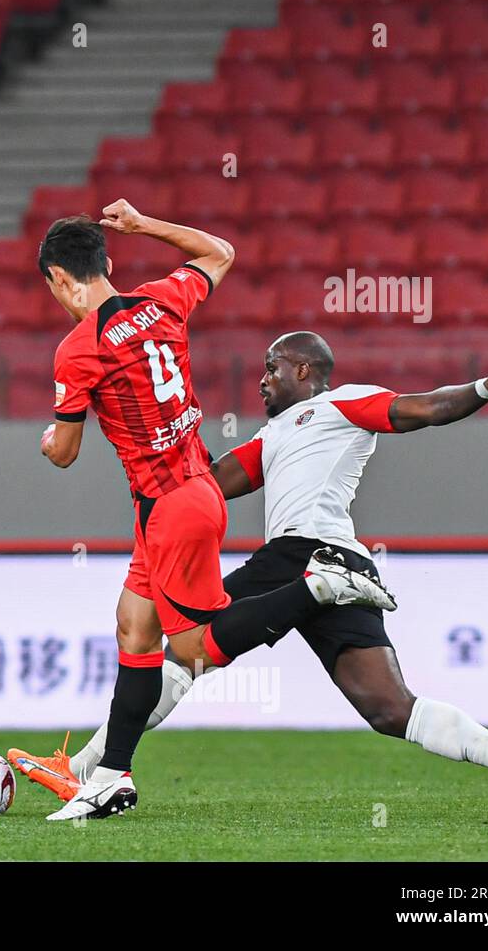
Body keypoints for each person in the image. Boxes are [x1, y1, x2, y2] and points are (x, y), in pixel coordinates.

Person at [12, 331, 488, 819]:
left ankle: (88, 769)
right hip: (338, 562)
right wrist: (157, 443)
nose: (262, 381)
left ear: (304, 369)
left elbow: (423, 408)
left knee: (185, 648)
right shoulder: (275, 436)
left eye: (272, 368)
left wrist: (486, 388)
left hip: (302, 553)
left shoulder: (342, 403)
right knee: (389, 709)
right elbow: (212, 480)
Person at [30, 205, 395, 822]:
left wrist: (48, 438)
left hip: (171, 506)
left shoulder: (76, 351)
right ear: (108, 265)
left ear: (60, 280)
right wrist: (145, 223)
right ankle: (112, 775)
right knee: (135, 627)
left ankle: (320, 587)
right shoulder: (161, 300)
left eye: (53, 288)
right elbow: (220, 251)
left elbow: (63, 453)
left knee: (196, 642)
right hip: (188, 491)